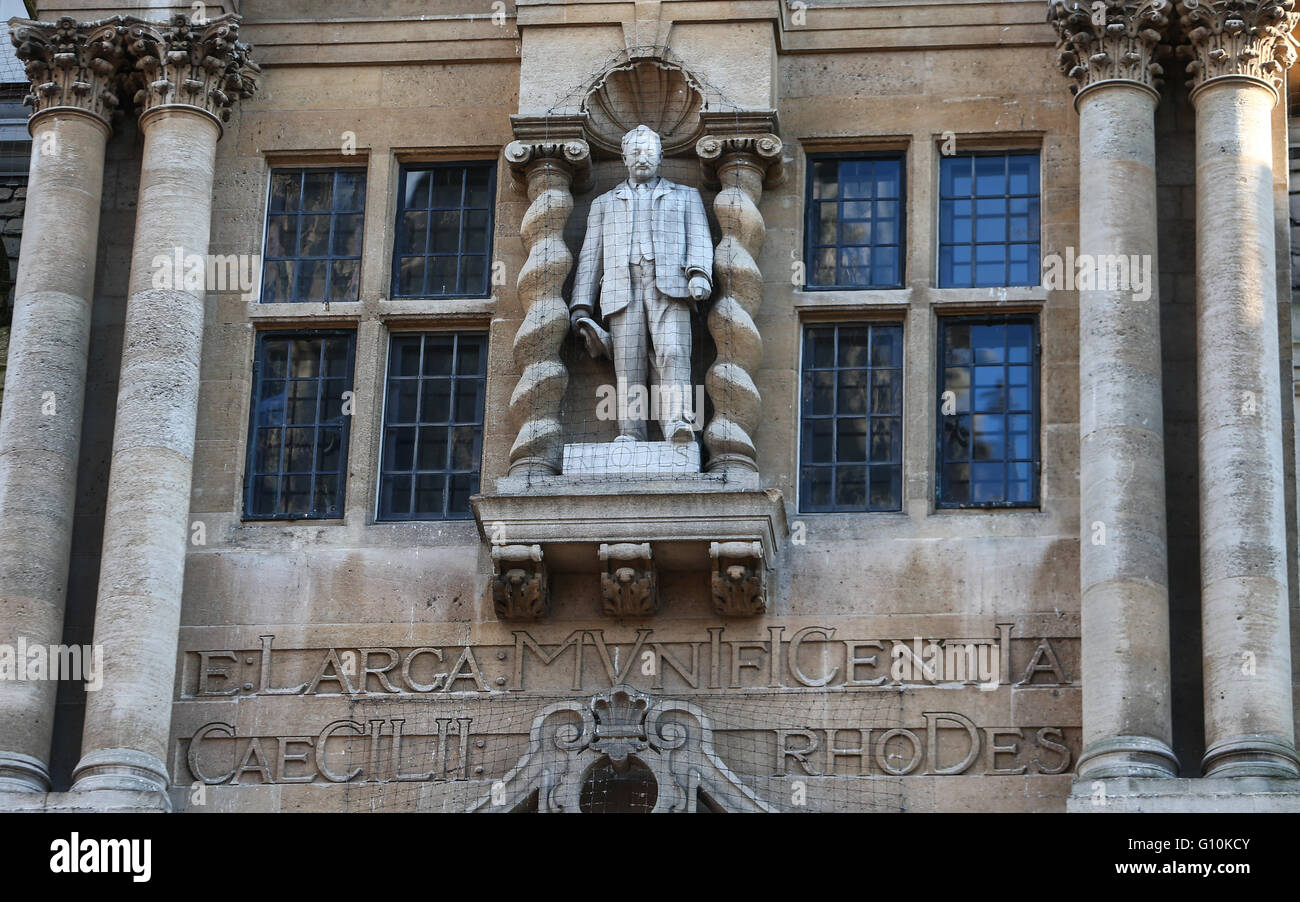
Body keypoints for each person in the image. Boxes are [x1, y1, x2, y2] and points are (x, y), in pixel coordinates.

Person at [569, 124, 713, 443]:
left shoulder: (685, 196)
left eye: (649, 151)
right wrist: (581, 306)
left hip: (671, 286)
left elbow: (700, 238)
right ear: (623, 157)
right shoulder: (604, 203)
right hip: (621, 287)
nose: (642, 158)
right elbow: (591, 256)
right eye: (636, 152)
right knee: (628, 362)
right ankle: (630, 432)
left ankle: (678, 421)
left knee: (674, 352)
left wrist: (700, 273)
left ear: (661, 156)